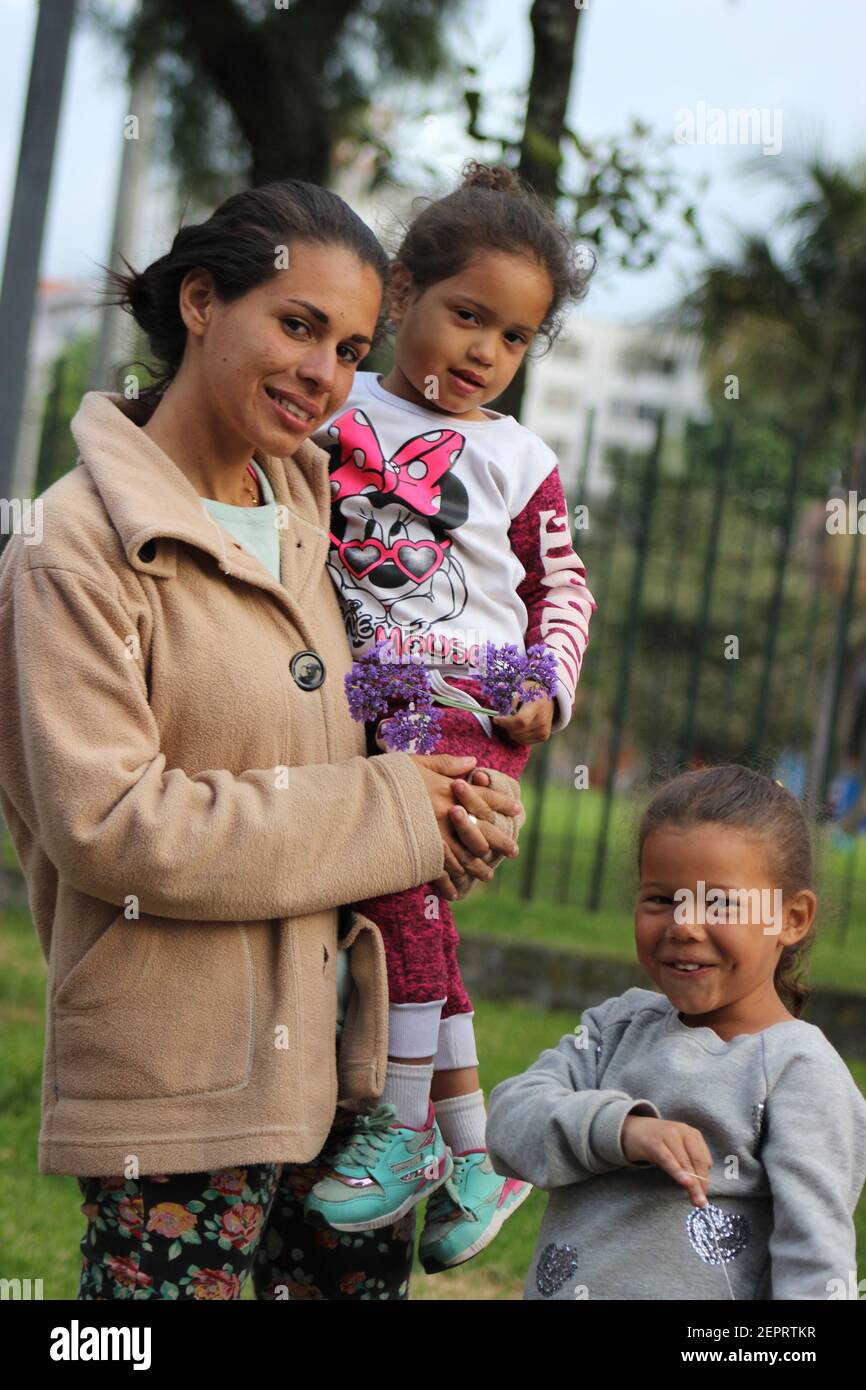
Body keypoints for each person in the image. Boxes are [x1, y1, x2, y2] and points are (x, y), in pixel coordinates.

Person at [0, 179, 527, 1301]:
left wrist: (450, 818)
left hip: (354, 1079)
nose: (324, 374)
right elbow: (113, 825)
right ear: (200, 302)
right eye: (296, 326)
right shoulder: (72, 548)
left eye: (348, 347)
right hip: (178, 1087)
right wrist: (391, 811)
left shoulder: (327, 518)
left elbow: (372, 753)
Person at [304, 162, 597, 1273]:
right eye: (465, 315)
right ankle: (478, 1150)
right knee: (416, 916)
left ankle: (403, 1127)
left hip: (466, 703)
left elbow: (562, 588)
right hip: (359, 702)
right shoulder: (337, 411)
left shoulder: (522, 458)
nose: (483, 352)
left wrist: (549, 685)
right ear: (399, 292)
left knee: (396, 886)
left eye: (513, 337)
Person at [485, 764, 866, 1300]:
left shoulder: (798, 1071)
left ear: (792, 917)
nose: (684, 925)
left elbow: (815, 1258)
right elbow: (508, 1121)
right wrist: (621, 1131)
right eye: (662, 899)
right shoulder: (615, 1027)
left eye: (721, 902)